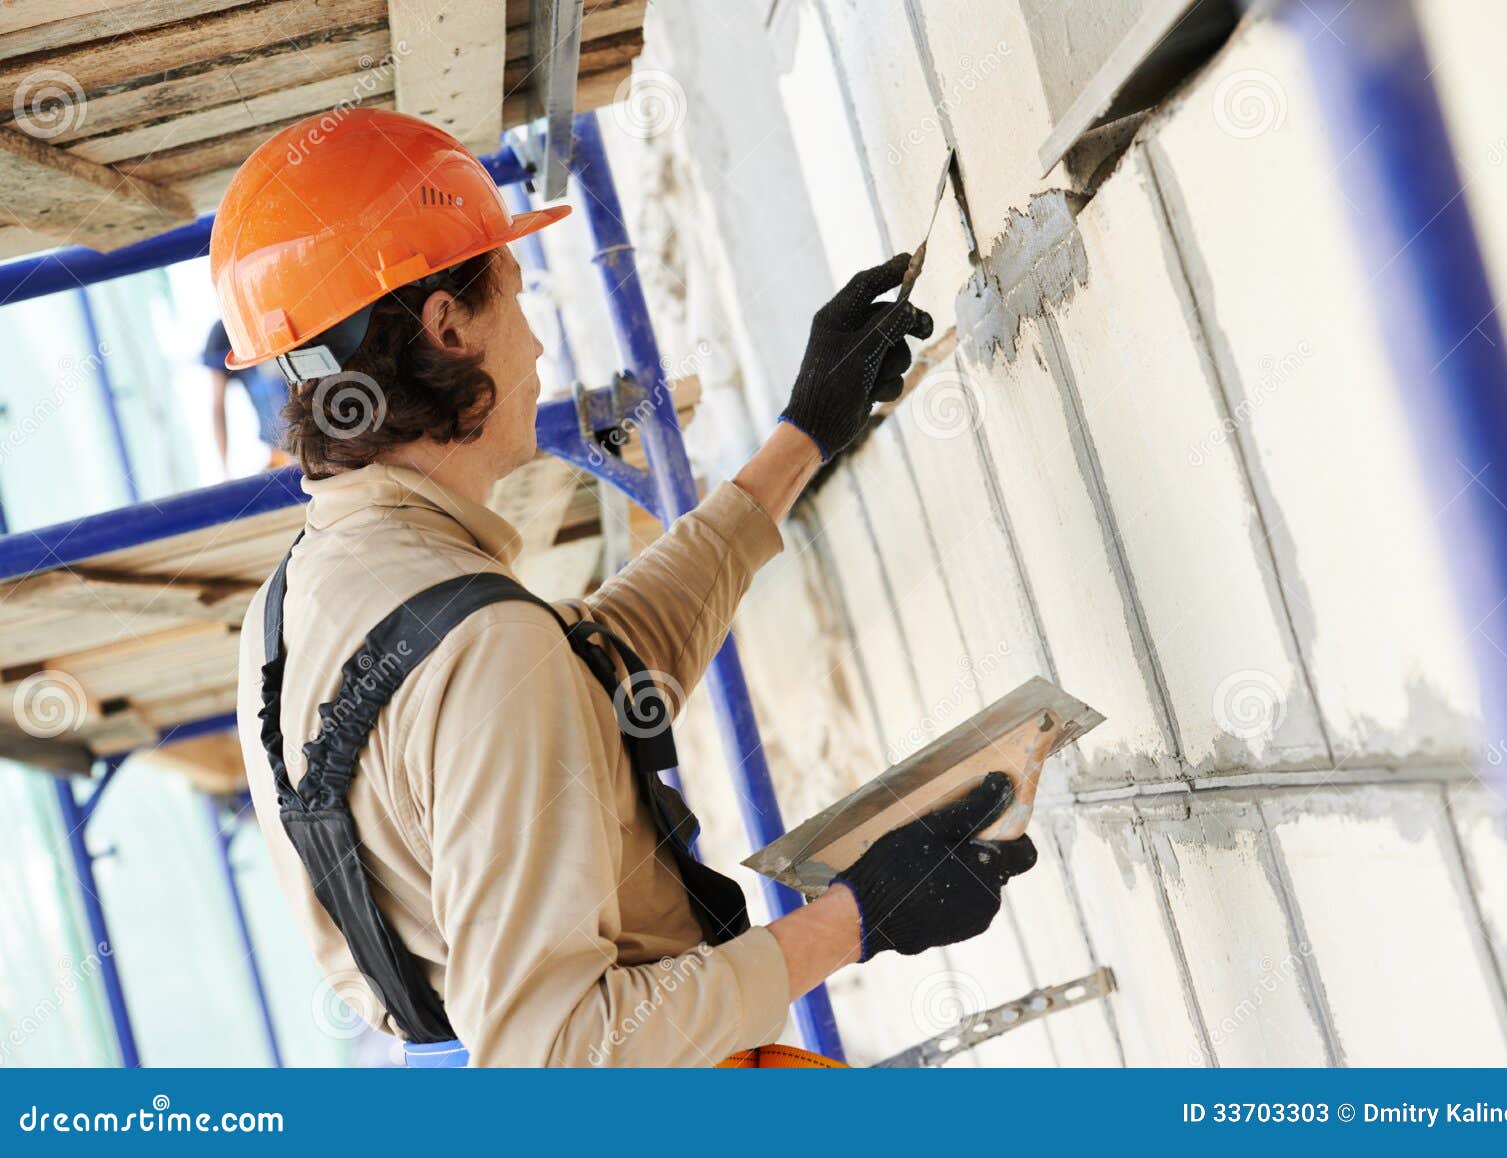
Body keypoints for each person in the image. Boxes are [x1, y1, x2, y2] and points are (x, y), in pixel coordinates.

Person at [215, 108, 1037, 1068]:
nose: (537, 347)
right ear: (448, 327)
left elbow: (586, 684)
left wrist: (802, 435)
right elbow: (551, 1055)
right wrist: (860, 915)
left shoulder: (296, 609)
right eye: (514, 297)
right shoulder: (473, 643)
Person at [199, 319, 291, 472]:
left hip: (315, 434)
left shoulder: (278, 309)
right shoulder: (223, 332)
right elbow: (218, 406)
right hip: (279, 449)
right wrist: (225, 469)